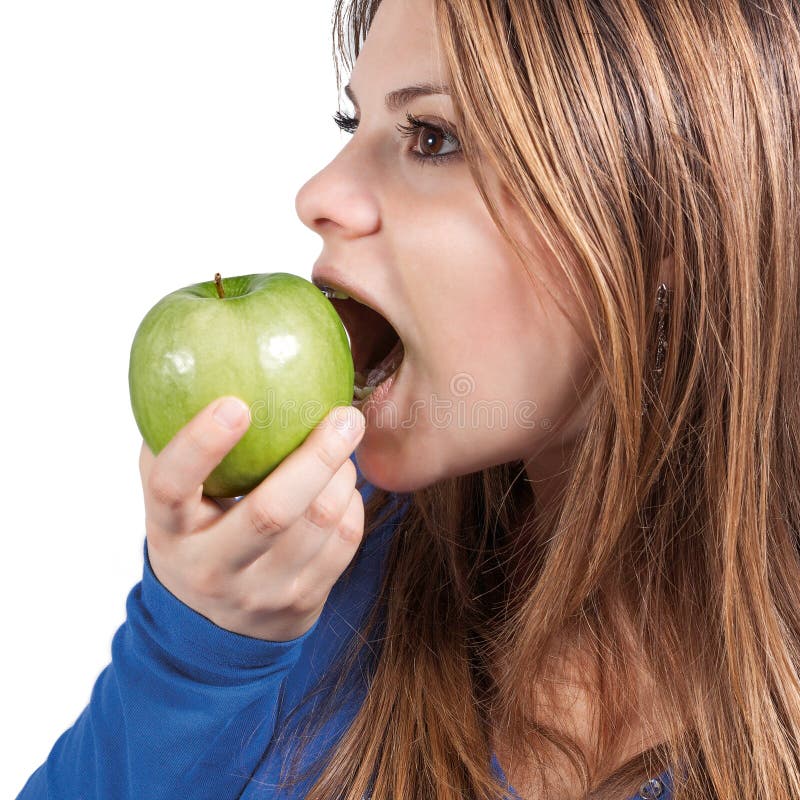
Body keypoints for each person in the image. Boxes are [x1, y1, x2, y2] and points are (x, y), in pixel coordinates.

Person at [16, 0, 800, 797]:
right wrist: (199, 654)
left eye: (433, 137)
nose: (318, 195)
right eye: (348, 123)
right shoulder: (292, 568)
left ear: (674, 228)